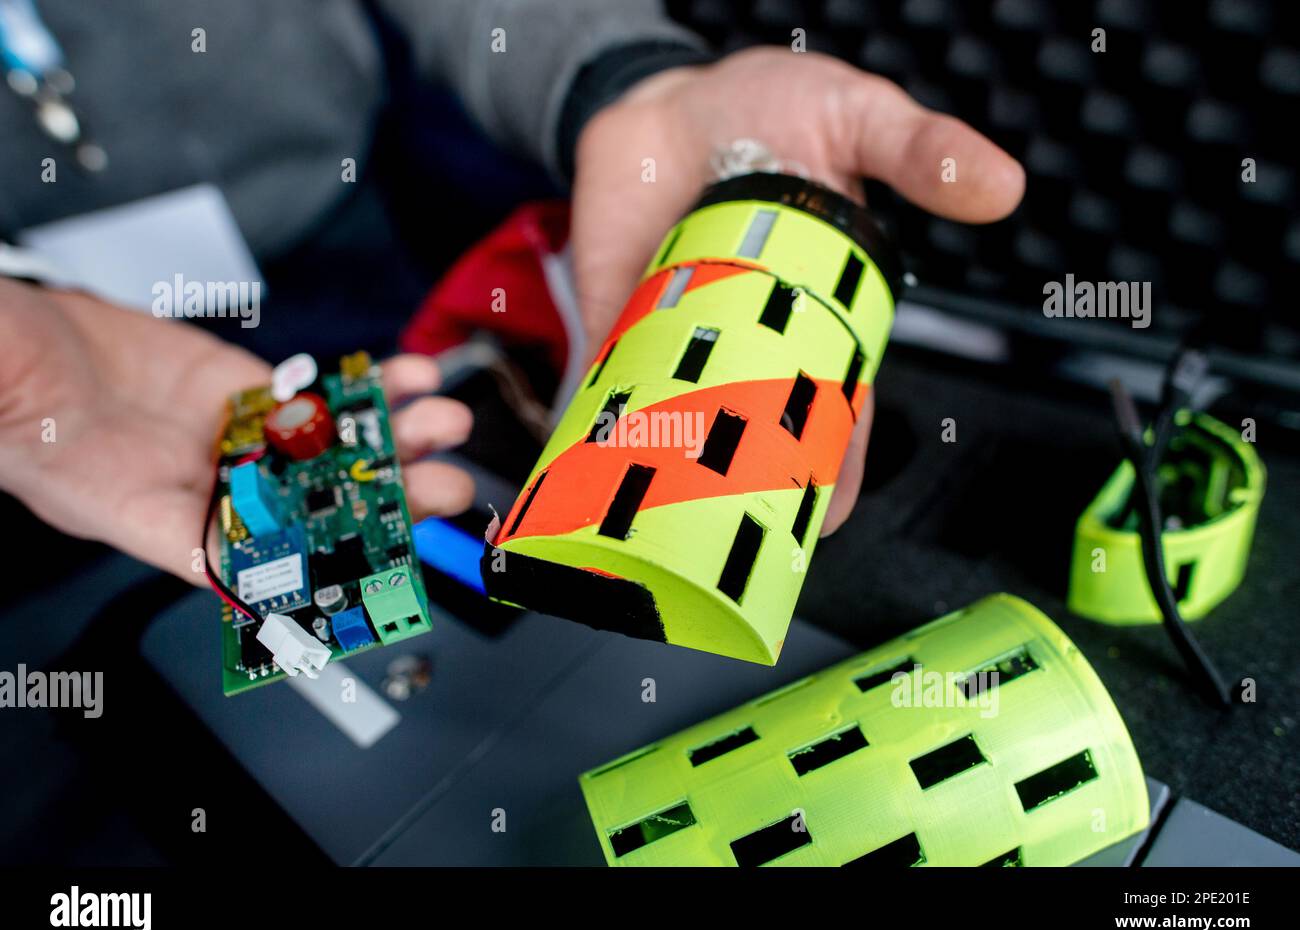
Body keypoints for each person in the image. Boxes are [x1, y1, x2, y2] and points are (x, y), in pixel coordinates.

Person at [0, 0, 1024, 582]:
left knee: (397, 505)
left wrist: (624, 75)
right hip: (54, 345)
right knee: (264, 588)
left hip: (351, 211)